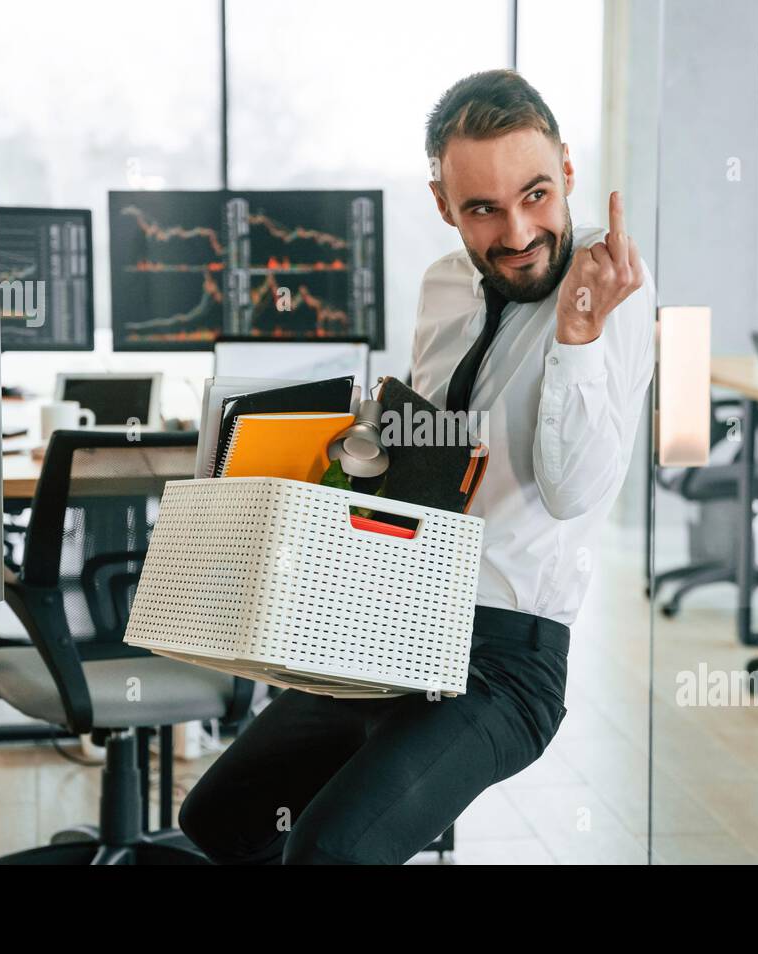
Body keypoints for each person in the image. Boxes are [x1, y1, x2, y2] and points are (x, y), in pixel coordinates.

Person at [179, 69, 657, 864]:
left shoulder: (613, 293)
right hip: (392, 623)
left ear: (569, 170)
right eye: (483, 209)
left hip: (503, 662)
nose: (517, 232)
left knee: (326, 853)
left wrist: (576, 335)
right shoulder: (444, 287)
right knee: (220, 818)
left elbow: (573, 490)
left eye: (536, 195)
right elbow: (421, 456)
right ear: (443, 204)